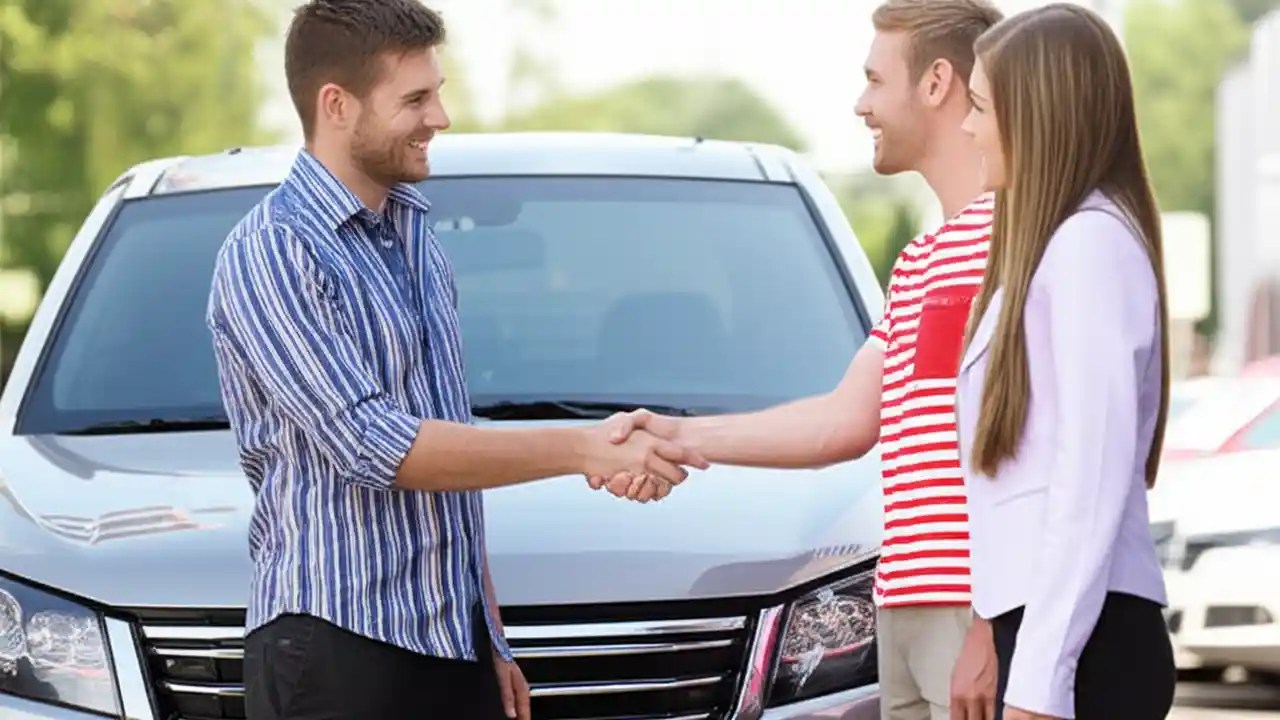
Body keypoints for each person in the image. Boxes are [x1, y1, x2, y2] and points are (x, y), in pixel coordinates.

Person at [205, 2, 706, 718]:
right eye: (415, 98)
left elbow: (448, 450)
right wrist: (585, 449)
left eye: (437, 91)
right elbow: (377, 446)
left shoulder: (414, 240)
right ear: (336, 106)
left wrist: (491, 640)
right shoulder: (275, 251)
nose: (440, 116)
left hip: (451, 644)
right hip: (336, 648)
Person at [591, 2, 1004, 719]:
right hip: (901, 607)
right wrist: (674, 435)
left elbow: (1032, 454)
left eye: (876, 80)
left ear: (937, 83)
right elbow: (837, 424)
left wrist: (994, 624)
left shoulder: (1016, 245)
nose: (861, 104)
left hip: (968, 613)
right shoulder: (919, 262)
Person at [955, 5, 1176, 719]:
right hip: (1067, 632)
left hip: (1087, 644)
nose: (968, 127)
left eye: (981, 106)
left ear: (1038, 116)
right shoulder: (1059, 247)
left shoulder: (1090, 248)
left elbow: (1089, 480)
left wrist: (1041, 684)